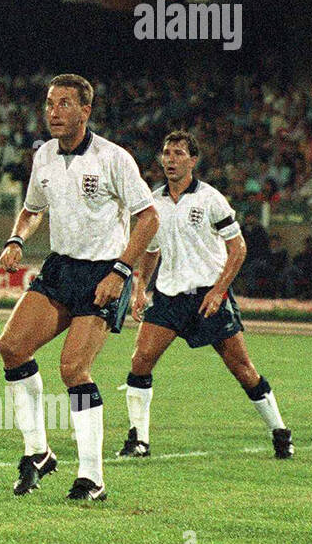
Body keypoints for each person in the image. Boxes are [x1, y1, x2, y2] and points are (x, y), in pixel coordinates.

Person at [0, 74, 159, 502]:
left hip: (105, 272)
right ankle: (38, 454)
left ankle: (92, 478)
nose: (54, 112)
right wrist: (17, 238)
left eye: (65, 104)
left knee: (73, 369)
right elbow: (32, 210)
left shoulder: (113, 158)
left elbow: (149, 218)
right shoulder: (45, 156)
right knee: (11, 347)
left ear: (86, 110)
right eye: (50, 103)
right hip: (60, 268)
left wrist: (122, 272)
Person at [121, 131, 292, 460]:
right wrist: (140, 288)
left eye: (179, 153)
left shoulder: (211, 198)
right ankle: (138, 440)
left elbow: (238, 249)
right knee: (140, 361)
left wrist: (219, 290)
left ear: (193, 161)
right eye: (167, 153)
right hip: (169, 297)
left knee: (242, 369)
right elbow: (151, 250)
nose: (171, 159)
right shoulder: (153, 203)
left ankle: (279, 430)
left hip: (207, 297)